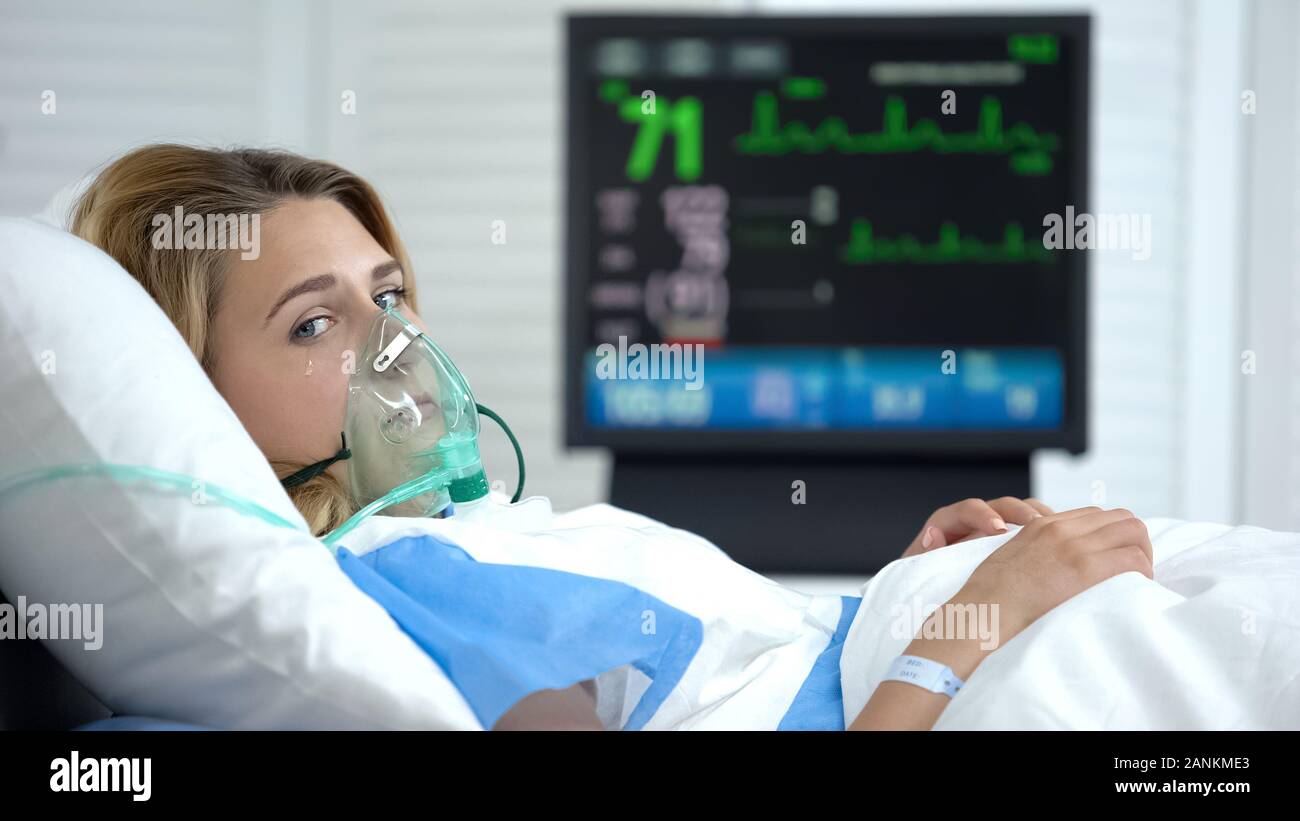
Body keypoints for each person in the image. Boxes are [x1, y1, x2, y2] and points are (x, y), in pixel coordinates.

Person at [70, 144, 1153, 730]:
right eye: (315, 321)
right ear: (196, 399)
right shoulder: (384, 594)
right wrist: (967, 623)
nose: (395, 342)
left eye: (389, 293)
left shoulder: (471, 533)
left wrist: (898, 595)